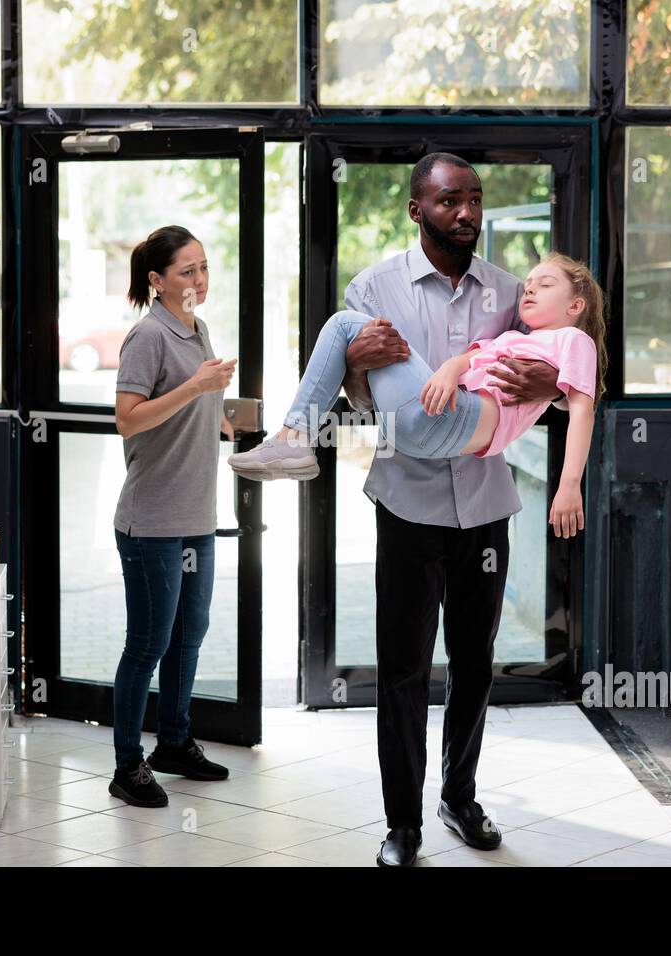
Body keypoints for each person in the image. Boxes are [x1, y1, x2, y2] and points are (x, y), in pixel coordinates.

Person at [248, 152, 601, 866]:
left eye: (474, 200)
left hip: (484, 500)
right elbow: (361, 398)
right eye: (449, 201)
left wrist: (547, 386)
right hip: (406, 498)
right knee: (404, 667)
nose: (466, 212)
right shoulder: (374, 285)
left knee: (474, 664)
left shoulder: (512, 291)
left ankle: (459, 797)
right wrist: (354, 371)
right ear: (417, 210)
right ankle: (402, 822)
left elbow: (560, 378)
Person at [227, 252, 601, 490]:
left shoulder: (572, 340)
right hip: (419, 438)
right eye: (528, 285)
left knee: (343, 323)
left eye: (545, 285)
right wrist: (450, 369)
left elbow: (583, 410)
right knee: (354, 333)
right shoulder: (513, 339)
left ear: (575, 305)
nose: (529, 290)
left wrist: (569, 485)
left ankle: (294, 436)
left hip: (454, 423)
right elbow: (472, 358)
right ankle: (294, 438)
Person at [108, 224, 237, 808]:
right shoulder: (147, 336)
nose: (199, 280)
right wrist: (198, 388)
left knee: (188, 637)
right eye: (187, 271)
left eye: (204, 268)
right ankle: (127, 764)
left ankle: (175, 744)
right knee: (148, 643)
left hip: (195, 517)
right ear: (157, 281)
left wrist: (224, 415)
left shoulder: (198, 329)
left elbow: (188, 406)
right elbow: (129, 419)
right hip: (151, 523)